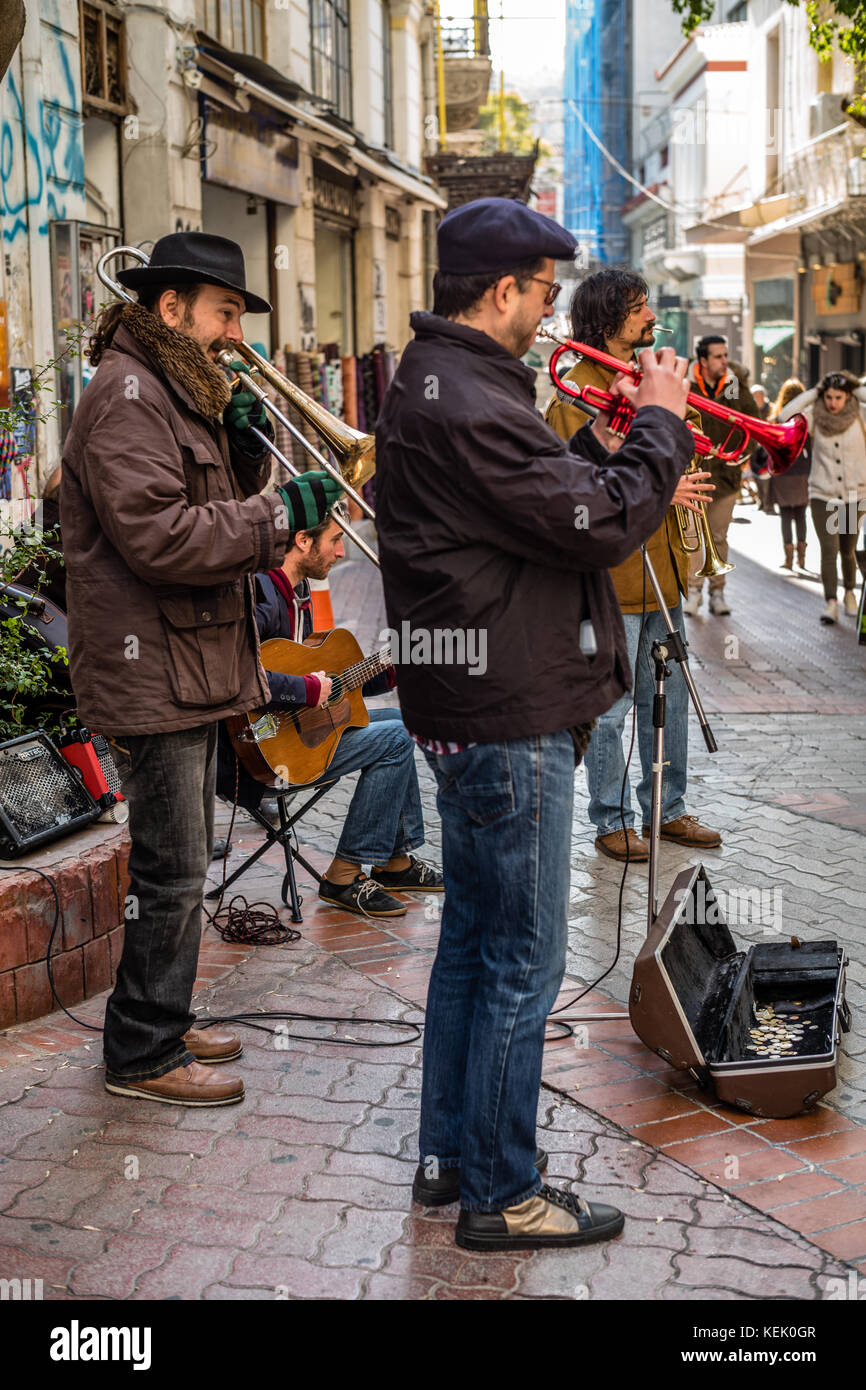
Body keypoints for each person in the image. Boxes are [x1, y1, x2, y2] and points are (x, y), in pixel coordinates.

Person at [375, 196, 694, 1252]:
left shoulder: (439, 379)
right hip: (502, 710)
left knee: (470, 943)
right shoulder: (467, 393)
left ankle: (447, 1159)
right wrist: (653, 423)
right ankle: (500, 1192)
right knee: (523, 956)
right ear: (502, 289)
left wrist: (611, 454)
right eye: (544, 294)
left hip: (468, 698)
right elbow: (593, 526)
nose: (554, 316)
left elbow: (543, 508)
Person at [61, 232, 342, 1107]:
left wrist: (250, 453)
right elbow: (160, 538)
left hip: (187, 661)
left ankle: (165, 1018)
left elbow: (209, 505)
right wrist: (273, 518)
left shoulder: (178, 392)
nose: (234, 332)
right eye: (225, 313)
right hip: (153, 667)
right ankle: (142, 1052)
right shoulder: (129, 396)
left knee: (180, 867)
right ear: (171, 308)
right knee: (171, 871)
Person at [545, 269, 720, 862]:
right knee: (610, 707)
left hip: (662, 571)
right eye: (639, 309)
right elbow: (574, 488)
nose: (652, 317)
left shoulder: (649, 379)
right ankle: (612, 818)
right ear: (606, 318)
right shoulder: (576, 393)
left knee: (660, 701)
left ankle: (667, 809)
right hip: (612, 580)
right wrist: (659, 486)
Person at [216, 508, 444, 918]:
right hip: (259, 748)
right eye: (335, 541)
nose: (341, 552)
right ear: (303, 540)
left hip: (296, 731)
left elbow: (333, 682)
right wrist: (307, 689)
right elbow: (238, 677)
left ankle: (395, 863)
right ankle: (344, 873)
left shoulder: (298, 595)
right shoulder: (260, 595)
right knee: (395, 739)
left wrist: (391, 668)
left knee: (399, 723)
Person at [780, 369, 866, 624]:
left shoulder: (860, 414)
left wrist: (854, 387)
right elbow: (785, 416)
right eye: (829, 397)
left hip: (853, 497)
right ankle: (830, 602)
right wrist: (814, 392)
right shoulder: (815, 416)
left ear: (848, 396)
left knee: (848, 550)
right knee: (830, 549)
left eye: (839, 397)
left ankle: (849, 591)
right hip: (824, 496)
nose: (833, 403)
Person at [685, 335, 760, 616]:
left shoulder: (736, 386)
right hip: (694, 474)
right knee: (692, 536)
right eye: (717, 356)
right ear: (702, 361)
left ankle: (717, 593)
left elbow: (756, 424)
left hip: (726, 478)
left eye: (725, 355)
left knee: (718, 537)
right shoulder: (685, 384)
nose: (724, 361)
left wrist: (741, 454)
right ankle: (693, 592)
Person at [759, 378, 812, 572]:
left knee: (786, 515)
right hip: (803, 473)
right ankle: (802, 558)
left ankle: (788, 558)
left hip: (784, 472)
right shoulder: (808, 420)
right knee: (800, 515)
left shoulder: (778, 418)